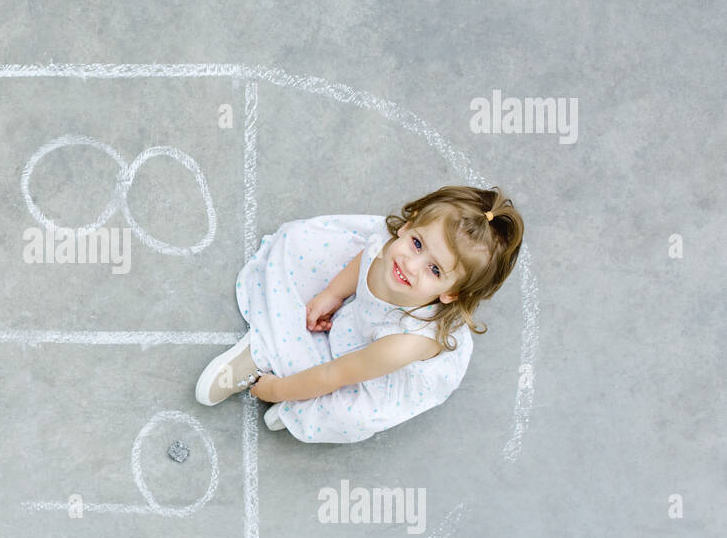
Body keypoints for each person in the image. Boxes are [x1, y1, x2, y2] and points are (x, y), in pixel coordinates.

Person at [195, 185, 524, 443]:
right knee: (299, 242)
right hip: (367, 321)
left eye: (435, 269)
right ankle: (266, 348)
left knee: (351, 415)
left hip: (378, 366)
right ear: (408, 226)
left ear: (450, 294)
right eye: (418, 244)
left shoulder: (409, 341)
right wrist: (333, 294)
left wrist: (275, 391)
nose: (410, 265)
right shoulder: (390, 248)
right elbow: (366, 262)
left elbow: (336, 375)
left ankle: (299, 405)